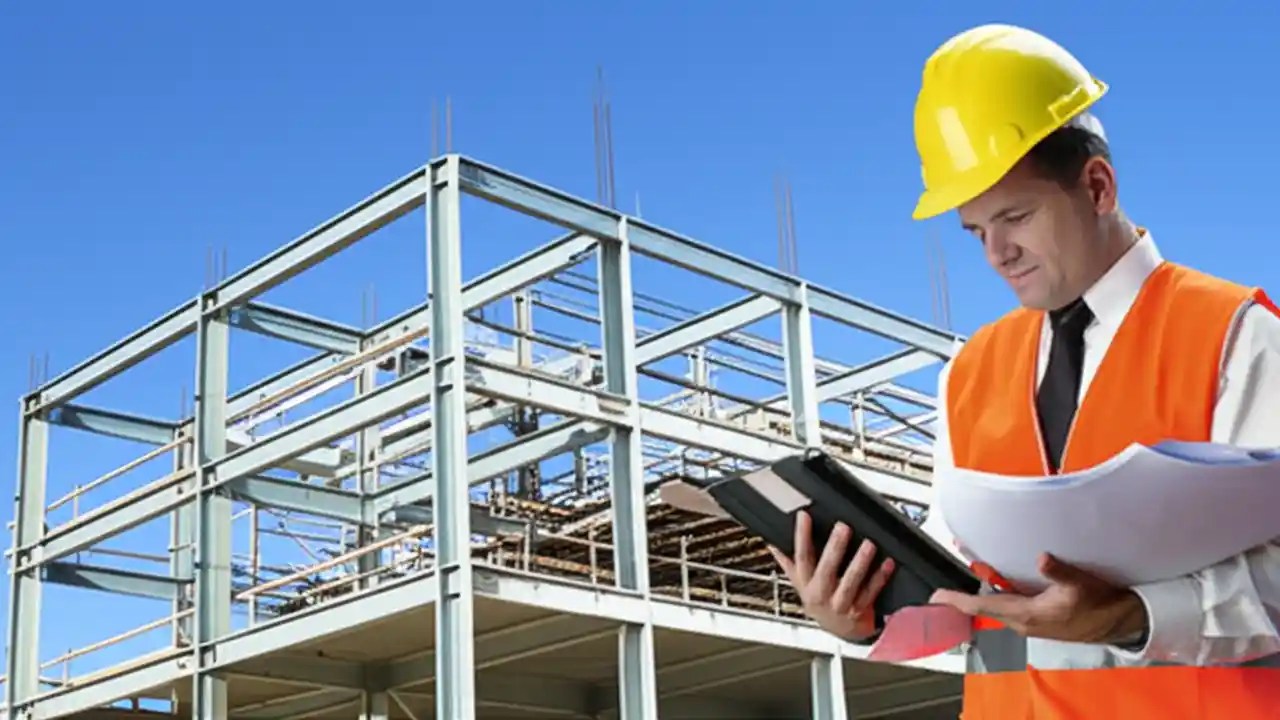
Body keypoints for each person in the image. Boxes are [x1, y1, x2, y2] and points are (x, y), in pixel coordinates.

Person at [771, 23, 1280, 718]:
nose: (997, 254)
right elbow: (965, 594)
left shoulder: (1235, 336)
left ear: (1098, 186)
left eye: (1015, 216)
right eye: (977, 230)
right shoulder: (971, 370)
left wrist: (1133, 614)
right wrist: (864, 613)